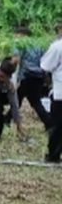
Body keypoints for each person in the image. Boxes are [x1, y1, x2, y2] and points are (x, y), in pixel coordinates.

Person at [11, 26, 51, 128]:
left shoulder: (19, 44)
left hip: (27, 75)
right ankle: (7, 119)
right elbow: (45, 60)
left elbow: (16, 60)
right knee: (19, 98)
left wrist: (13, 76)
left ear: (22, 35)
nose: (15, 37)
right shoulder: (39, 45)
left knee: (35, 102)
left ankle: (49, 123)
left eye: (17, 35)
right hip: (38, 76)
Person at [40, 23, 62, 163]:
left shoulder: (57, 46)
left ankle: (54, 155)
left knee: (58, 126)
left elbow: (45, 65)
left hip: (60, 93)